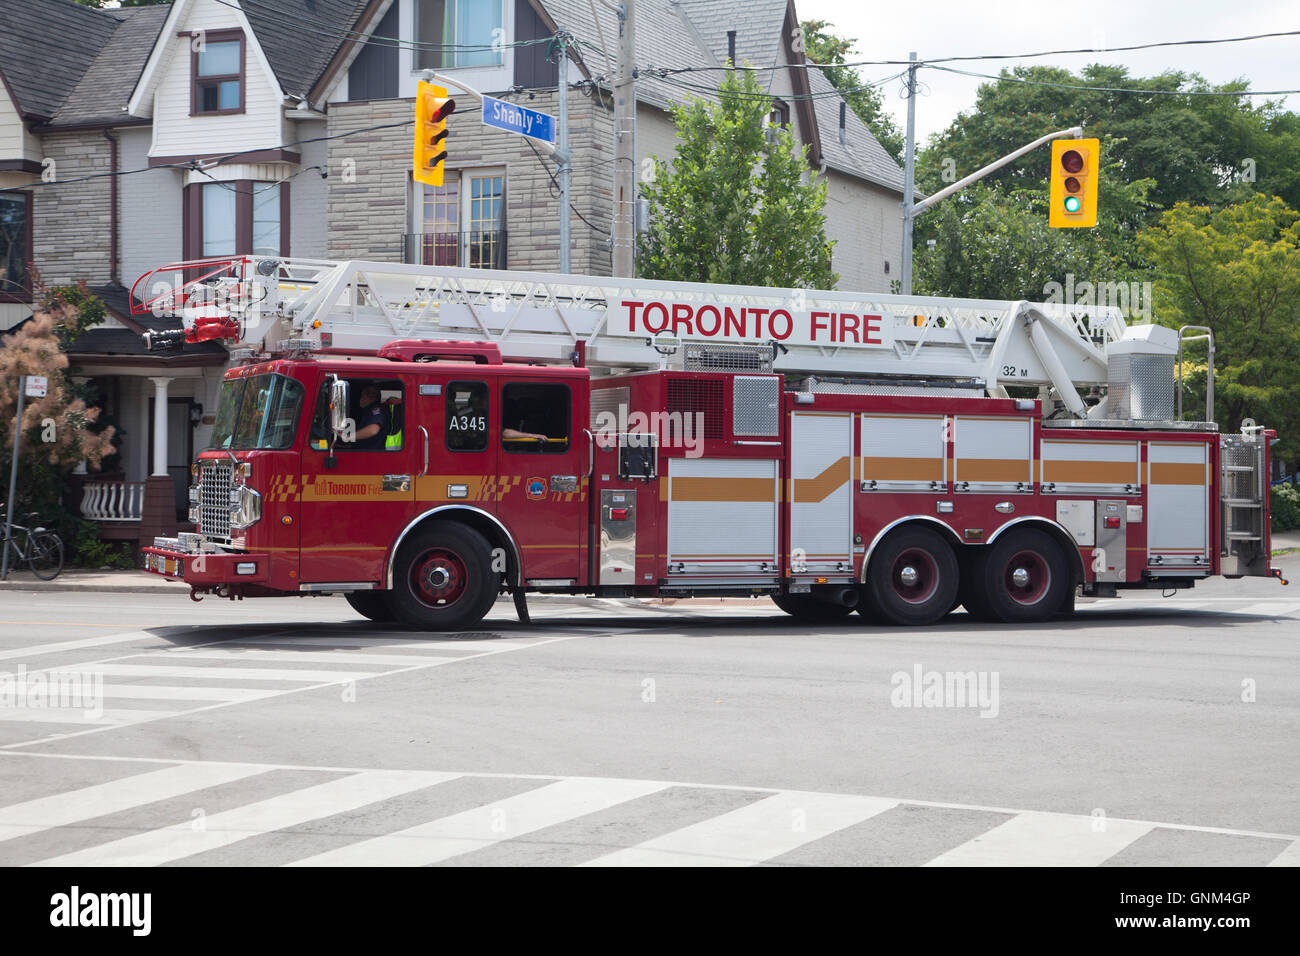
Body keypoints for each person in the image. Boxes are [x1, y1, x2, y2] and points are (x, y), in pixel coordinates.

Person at [348, 384, 388, 450]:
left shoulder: (376, 409)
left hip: (372, 455)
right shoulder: (367, 410)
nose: (360, 399)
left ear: (370, 396)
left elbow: (373, 430)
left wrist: (348, 437)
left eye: (361, 396)